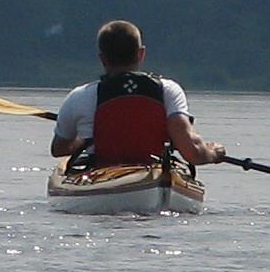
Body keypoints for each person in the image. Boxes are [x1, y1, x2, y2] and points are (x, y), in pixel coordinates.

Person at [51, 19, 224, 168]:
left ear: (102, 58)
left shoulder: (79, 96)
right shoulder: (168, 91)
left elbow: (58, 149)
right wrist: (213, 153)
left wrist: (83, 141)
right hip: (153, 171)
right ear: (141, 54)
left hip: (100, 173)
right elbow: (192, 153)